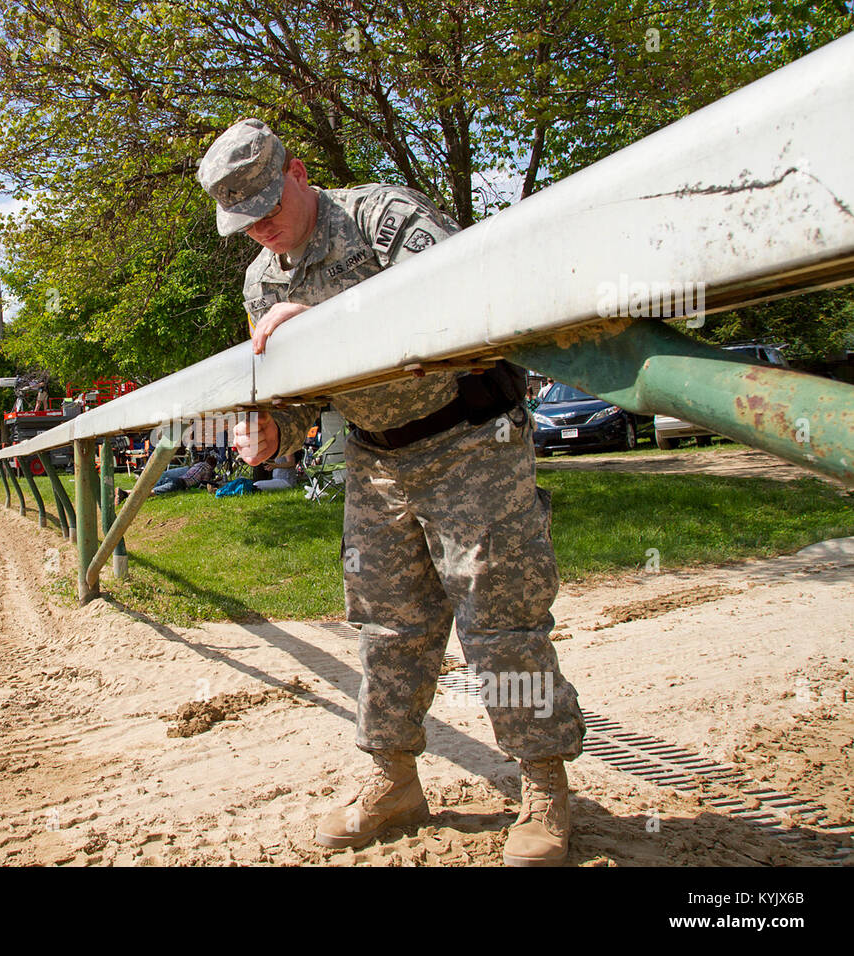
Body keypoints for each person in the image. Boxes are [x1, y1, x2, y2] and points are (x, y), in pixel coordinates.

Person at [197, 118, 586, 866]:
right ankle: (392, 778)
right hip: (377, 461)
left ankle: (543, 788)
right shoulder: (260, 281)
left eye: (271, 207)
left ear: (301, 174)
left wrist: (329, 321)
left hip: (470, 436)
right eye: (245, 223)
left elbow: (467, 302)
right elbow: (298, 396)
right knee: (385, 625)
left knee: (499, 620)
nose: (263, 231)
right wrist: (275, 431)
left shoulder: (385, 218)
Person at [150, 450, 218, 496]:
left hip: (177, 478)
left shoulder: (199, 464)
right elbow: (205, 483)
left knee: (153, 487)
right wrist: (216, 481)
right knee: (155, 492)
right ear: (213, 465)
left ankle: (142, 491)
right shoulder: (208, 469)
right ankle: (142, 496)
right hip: (181, 483)